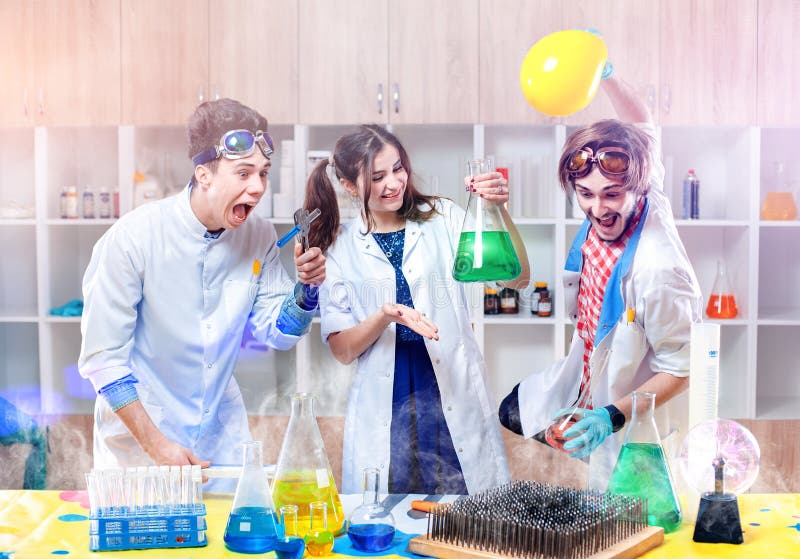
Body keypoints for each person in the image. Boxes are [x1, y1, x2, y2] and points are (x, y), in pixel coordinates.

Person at [78, 99, 326, 482]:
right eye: (243, 173)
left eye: (263, 173)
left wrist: (305, 291)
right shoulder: (132, 239)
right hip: (141, 445)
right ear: (204, 175)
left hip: (220, 439)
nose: (258, 187)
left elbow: (276, 333)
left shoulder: (258, 235)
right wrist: (158, 447)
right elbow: (103, 360)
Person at [499, 76, 702, 489]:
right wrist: (604, 74)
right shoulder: (639, 181)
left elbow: (682, 371)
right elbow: (641, 119)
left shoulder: (659, 270)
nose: (598, 208)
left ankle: (603, 441)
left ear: (639, 185)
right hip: (591, 367)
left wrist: (609, 417)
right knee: (514, 411)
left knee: (629, 508)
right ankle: (583, 431)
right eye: (585, 194)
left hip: (634, 402)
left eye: (612, 195)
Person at [305, 125, 530, 494]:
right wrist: (384, 316)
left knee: (464, 513)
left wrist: (496, 211)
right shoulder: (340, 249)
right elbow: (343, 350)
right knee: (388, 515)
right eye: (377, 177)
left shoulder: (443, 217)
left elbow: (517, 278)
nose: (393, 183)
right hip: (387, 400)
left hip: (450, 384)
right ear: (349, 186)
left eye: (398, 169)